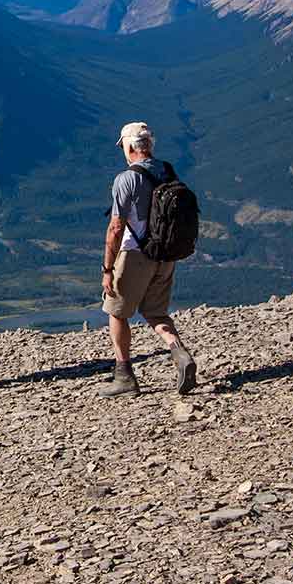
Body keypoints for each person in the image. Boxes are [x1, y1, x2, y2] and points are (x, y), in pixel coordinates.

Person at [100, 122, 197, 397]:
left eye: (124, 147)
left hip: (135, 254)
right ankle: (180, 353)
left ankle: (124, 375)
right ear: (149, 145)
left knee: (116, 311)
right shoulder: (167, 171)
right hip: (166, 254)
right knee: (155, 312)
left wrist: (107, 268)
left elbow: (116, 228)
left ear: (130, 147)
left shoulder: (126, 179)